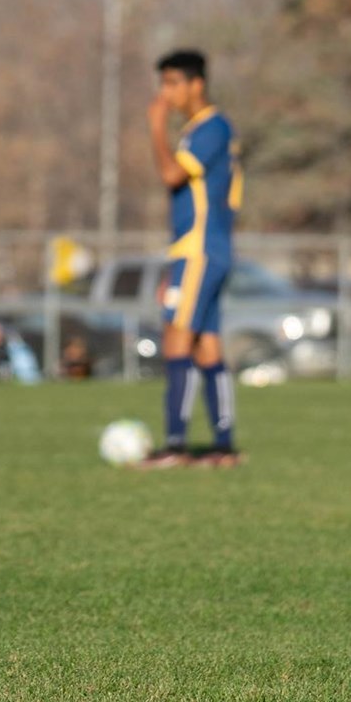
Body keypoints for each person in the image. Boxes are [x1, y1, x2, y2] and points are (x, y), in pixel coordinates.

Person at [138, 49, 242, 468]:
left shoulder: (209, 128)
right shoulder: (205, 130)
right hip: (201, 249)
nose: (166, 93)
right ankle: (223, 447)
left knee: (177, 338)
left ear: (196, 84)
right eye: (163, 84)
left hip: (199, 248)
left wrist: (155, 125)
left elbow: (171, 175)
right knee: (207, 346)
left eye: (173, 83)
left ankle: (175, 445)